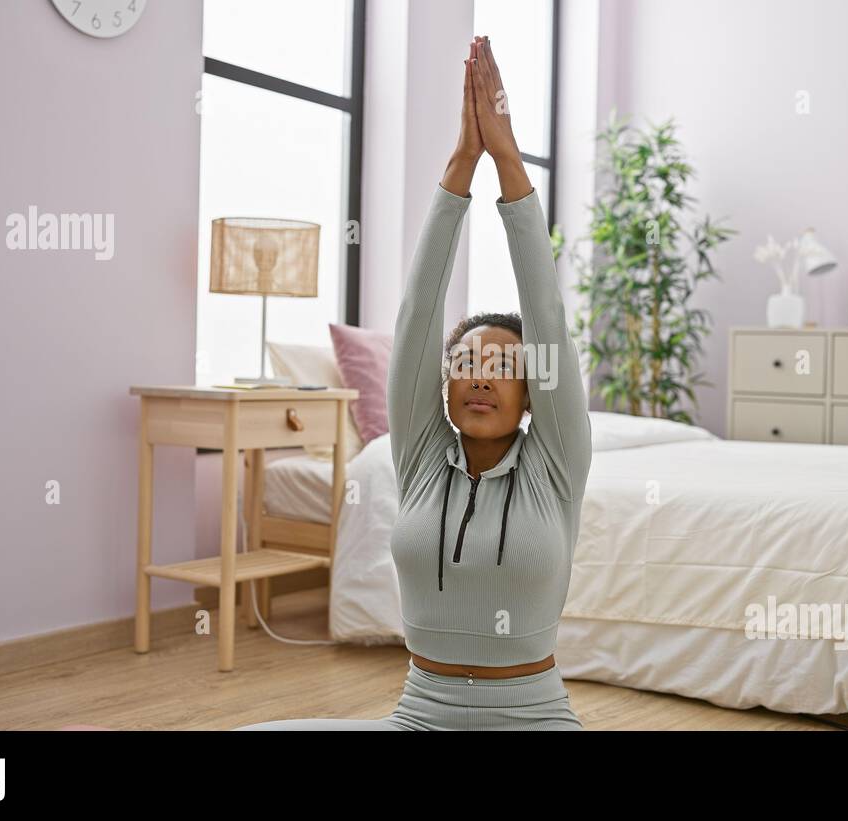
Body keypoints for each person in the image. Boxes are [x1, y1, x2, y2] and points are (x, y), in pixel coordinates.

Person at [235, 34, 592, 731]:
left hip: (533, 719)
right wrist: (461, 163)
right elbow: (418, 314)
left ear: (533, 395)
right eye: (464, 363)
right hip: (419, 718)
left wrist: (508, 161)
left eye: (502, 367)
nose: (480, 376)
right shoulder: (423, 459)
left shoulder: (554, 467)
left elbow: (546, 314)